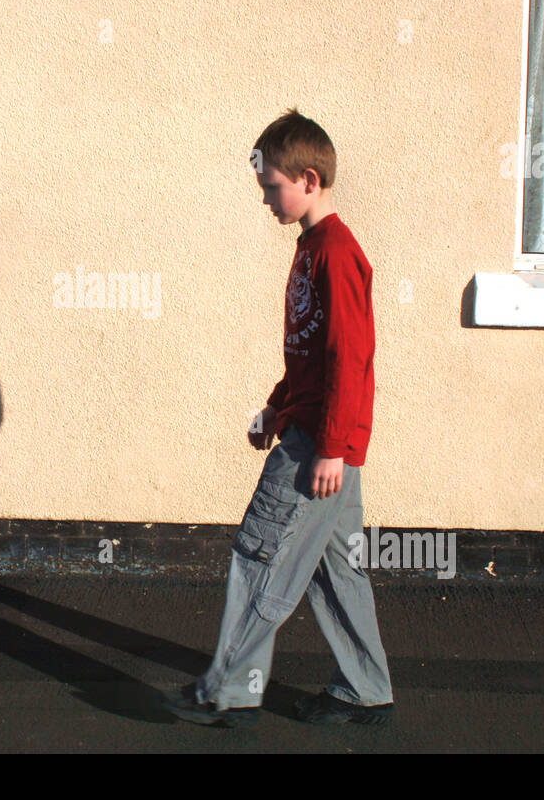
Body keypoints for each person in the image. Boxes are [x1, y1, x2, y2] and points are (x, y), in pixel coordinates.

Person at [163, 108, 394, 728]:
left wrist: (333, 447)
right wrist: (277, 405)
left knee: (260, 553)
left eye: (273, 187)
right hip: (314, 432)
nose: (267, 200)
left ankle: (225, 690)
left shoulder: (338, 254)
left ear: (310, 179)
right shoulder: (311, 248)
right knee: (333, 569)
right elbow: (312, 350)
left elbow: (353, 357)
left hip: (319, 448)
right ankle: (365, 688)